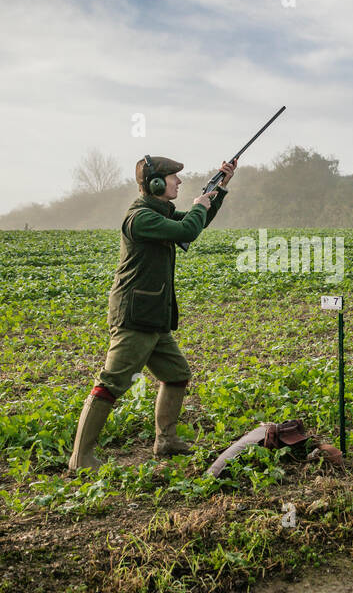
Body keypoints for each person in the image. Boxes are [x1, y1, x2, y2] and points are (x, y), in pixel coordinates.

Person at [68, 154, 237, 472]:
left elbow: (194, 223)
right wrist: (200, 205)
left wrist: (219, 189)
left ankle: (166, 440)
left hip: (153, 316)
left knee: (176, 374)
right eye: (174, 177)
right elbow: (188, 230)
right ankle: (80, 459)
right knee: (110, 384)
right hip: (135, 317)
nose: (179, 182)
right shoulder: (141, 218)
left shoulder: (159, 214)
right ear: (156, 183)